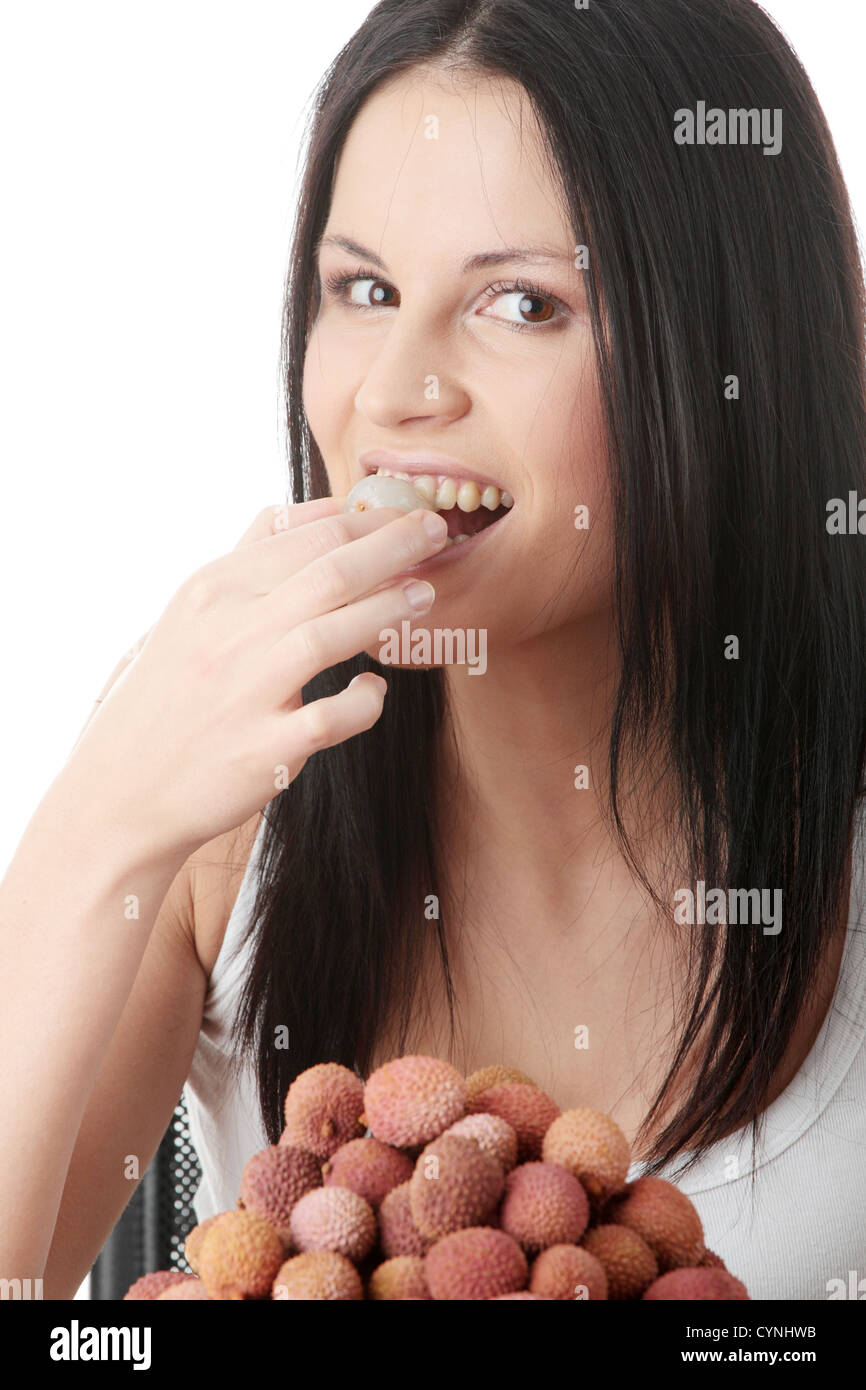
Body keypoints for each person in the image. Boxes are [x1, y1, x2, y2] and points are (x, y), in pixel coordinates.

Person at [2, 0, 865, 1301]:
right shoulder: (223, 791)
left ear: (723, 346)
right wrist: (95, 825)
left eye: (520, 302)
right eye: (363, 290)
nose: (395, 388)